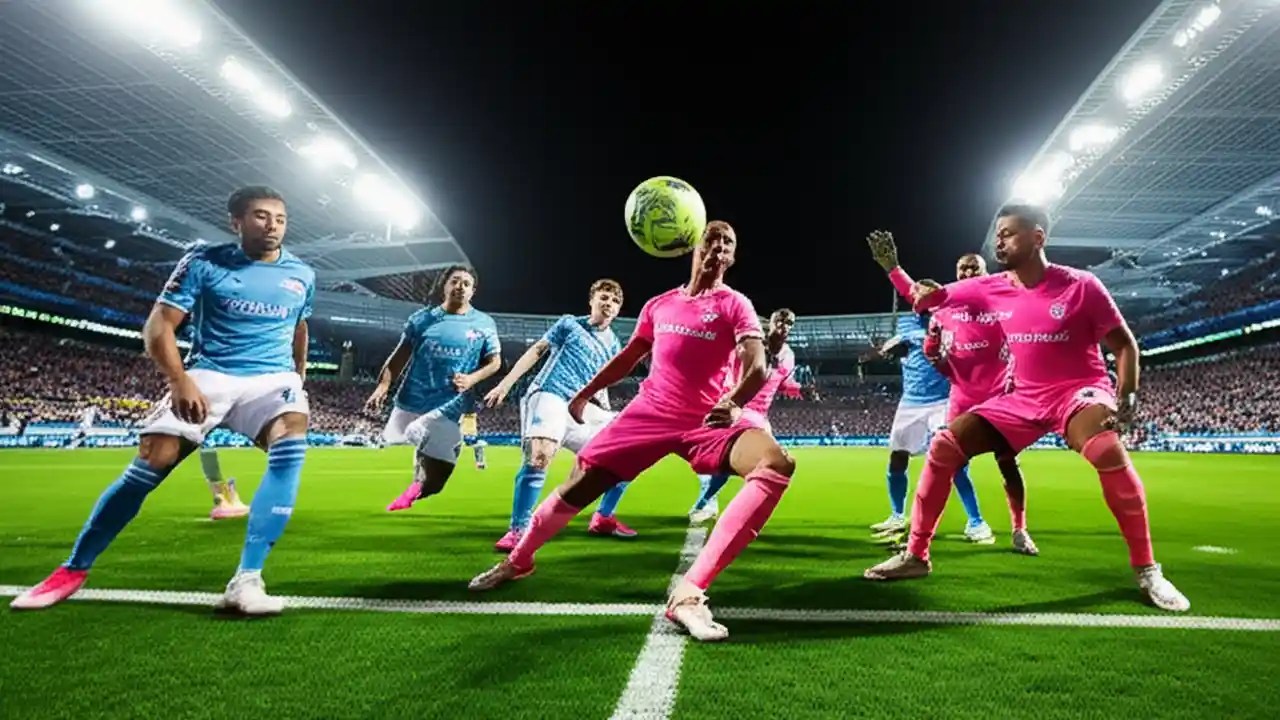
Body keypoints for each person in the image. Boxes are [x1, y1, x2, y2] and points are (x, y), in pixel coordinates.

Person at [468, 220, 797, 642]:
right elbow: (629, 357)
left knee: (776, 464)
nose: (719, 246)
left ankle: (690, 593)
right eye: (712, 238)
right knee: (580, 484)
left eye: (728, 242)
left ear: (732, 257)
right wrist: (585, 393)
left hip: (707, 420)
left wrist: (733, 402)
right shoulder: (659, 305)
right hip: (649, 413)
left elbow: (758, 365)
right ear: (691, 246)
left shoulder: (736, 305)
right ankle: (519, 560)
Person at [863, 204, 1190, 613]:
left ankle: (1146, 570)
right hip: (1020, 397)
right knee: (944, 447)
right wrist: (905, 278)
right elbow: (933, 296)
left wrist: (1127, 399)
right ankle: (916, 556)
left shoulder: (1081, 285)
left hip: (1078, 391)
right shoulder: (990, 287)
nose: (1000, 240)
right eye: (997, 234)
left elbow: (1124, 345)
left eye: (1009, 233)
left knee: (1106, 450)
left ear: (1038, 237)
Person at [12, 186, 315, 614]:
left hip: (272, 378)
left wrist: (298, 377)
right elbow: (159, 327)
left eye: (280, 219)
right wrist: (180, 381)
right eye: (261, 216)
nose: (273, 226)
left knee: (291, 444)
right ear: (237, 222)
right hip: (210, 373)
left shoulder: (302, 274)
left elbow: (300, 325)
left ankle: (247, 580)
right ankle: (73, 569)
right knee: (152, 462)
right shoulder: (204, 262)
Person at [868, 232, 1036, 555]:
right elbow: (916, 295)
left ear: (986, 272)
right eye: (963, 269)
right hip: (960, 396)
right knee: (949, 461)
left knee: (1007, 463)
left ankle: (1019, 529)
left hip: (999, 395)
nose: (968, 274)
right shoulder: (944, 307)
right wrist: (893, 269)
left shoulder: (1003, 296)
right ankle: (924, 538)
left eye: (974, 268)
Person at [483, 279, 637, 552]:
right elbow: (537, 351)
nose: (609, 304)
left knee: (629, 453)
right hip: (550, 394)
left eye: (615, 301)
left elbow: (602, 381)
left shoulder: (614, 343)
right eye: (604, 297)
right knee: (540, 455)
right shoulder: (570, 324)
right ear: (591, 300)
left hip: (583, 406)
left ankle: (603, 517)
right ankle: (518, 530)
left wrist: (604, 408)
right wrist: (505, 383)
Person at [368, 265, 502, 512]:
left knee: (436, 481)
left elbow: (495, 362)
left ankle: (416, 487)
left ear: (473, 291)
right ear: (445, 285)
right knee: (409, 441)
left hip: (449, 401)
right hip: (412, 399)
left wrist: (472, 379)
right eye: (455, 281)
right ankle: (425, 459)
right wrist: (383, 386)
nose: (460, 286)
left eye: (466, 283)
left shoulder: (483, 323)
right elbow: (399, 357)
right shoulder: (422, 319)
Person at [868, 308, 993, 545]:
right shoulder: (905, 323)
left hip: (942, 400)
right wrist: (888, 351)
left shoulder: (951, 320)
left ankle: (977, 522)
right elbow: (895, 349)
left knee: (953, 461)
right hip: (910, 401)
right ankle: (897, 516)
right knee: (897, 458)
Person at [688, 308, 808, 524]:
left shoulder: (788, 355)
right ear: (771, 324)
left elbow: (782, 383)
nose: (784, 326)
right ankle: (706, 500)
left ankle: (735, 508)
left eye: (789, 323)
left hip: (761, 416)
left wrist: (797, 389)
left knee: (771, 467)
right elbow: (727, 371)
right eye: (779, 321)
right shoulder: (750, 347)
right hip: (739, 409)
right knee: (735, 461)